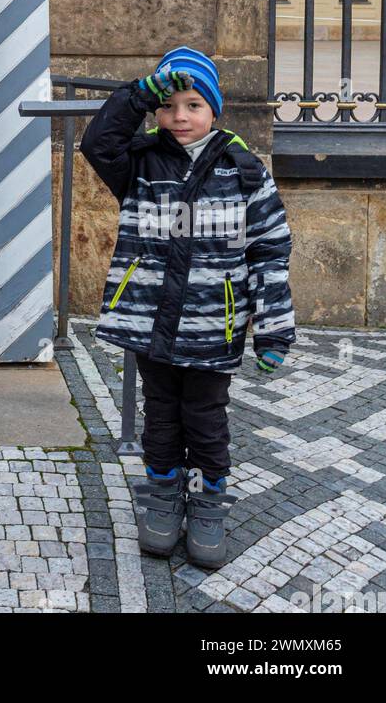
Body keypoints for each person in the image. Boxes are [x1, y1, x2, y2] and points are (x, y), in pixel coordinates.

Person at [79, 47, 296, 569]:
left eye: (194, 104)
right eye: (169, 104)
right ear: (156, 109)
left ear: (214, 110)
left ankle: (207, 504)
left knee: (204, 419)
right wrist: (137, 93)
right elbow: (96, 142)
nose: (181, 116)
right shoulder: (141, 162)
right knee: (160, 416)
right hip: (153, 320)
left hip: (211, 329)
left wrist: (273, 330)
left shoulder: (245, 169)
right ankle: (162, 496)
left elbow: (270, 249)